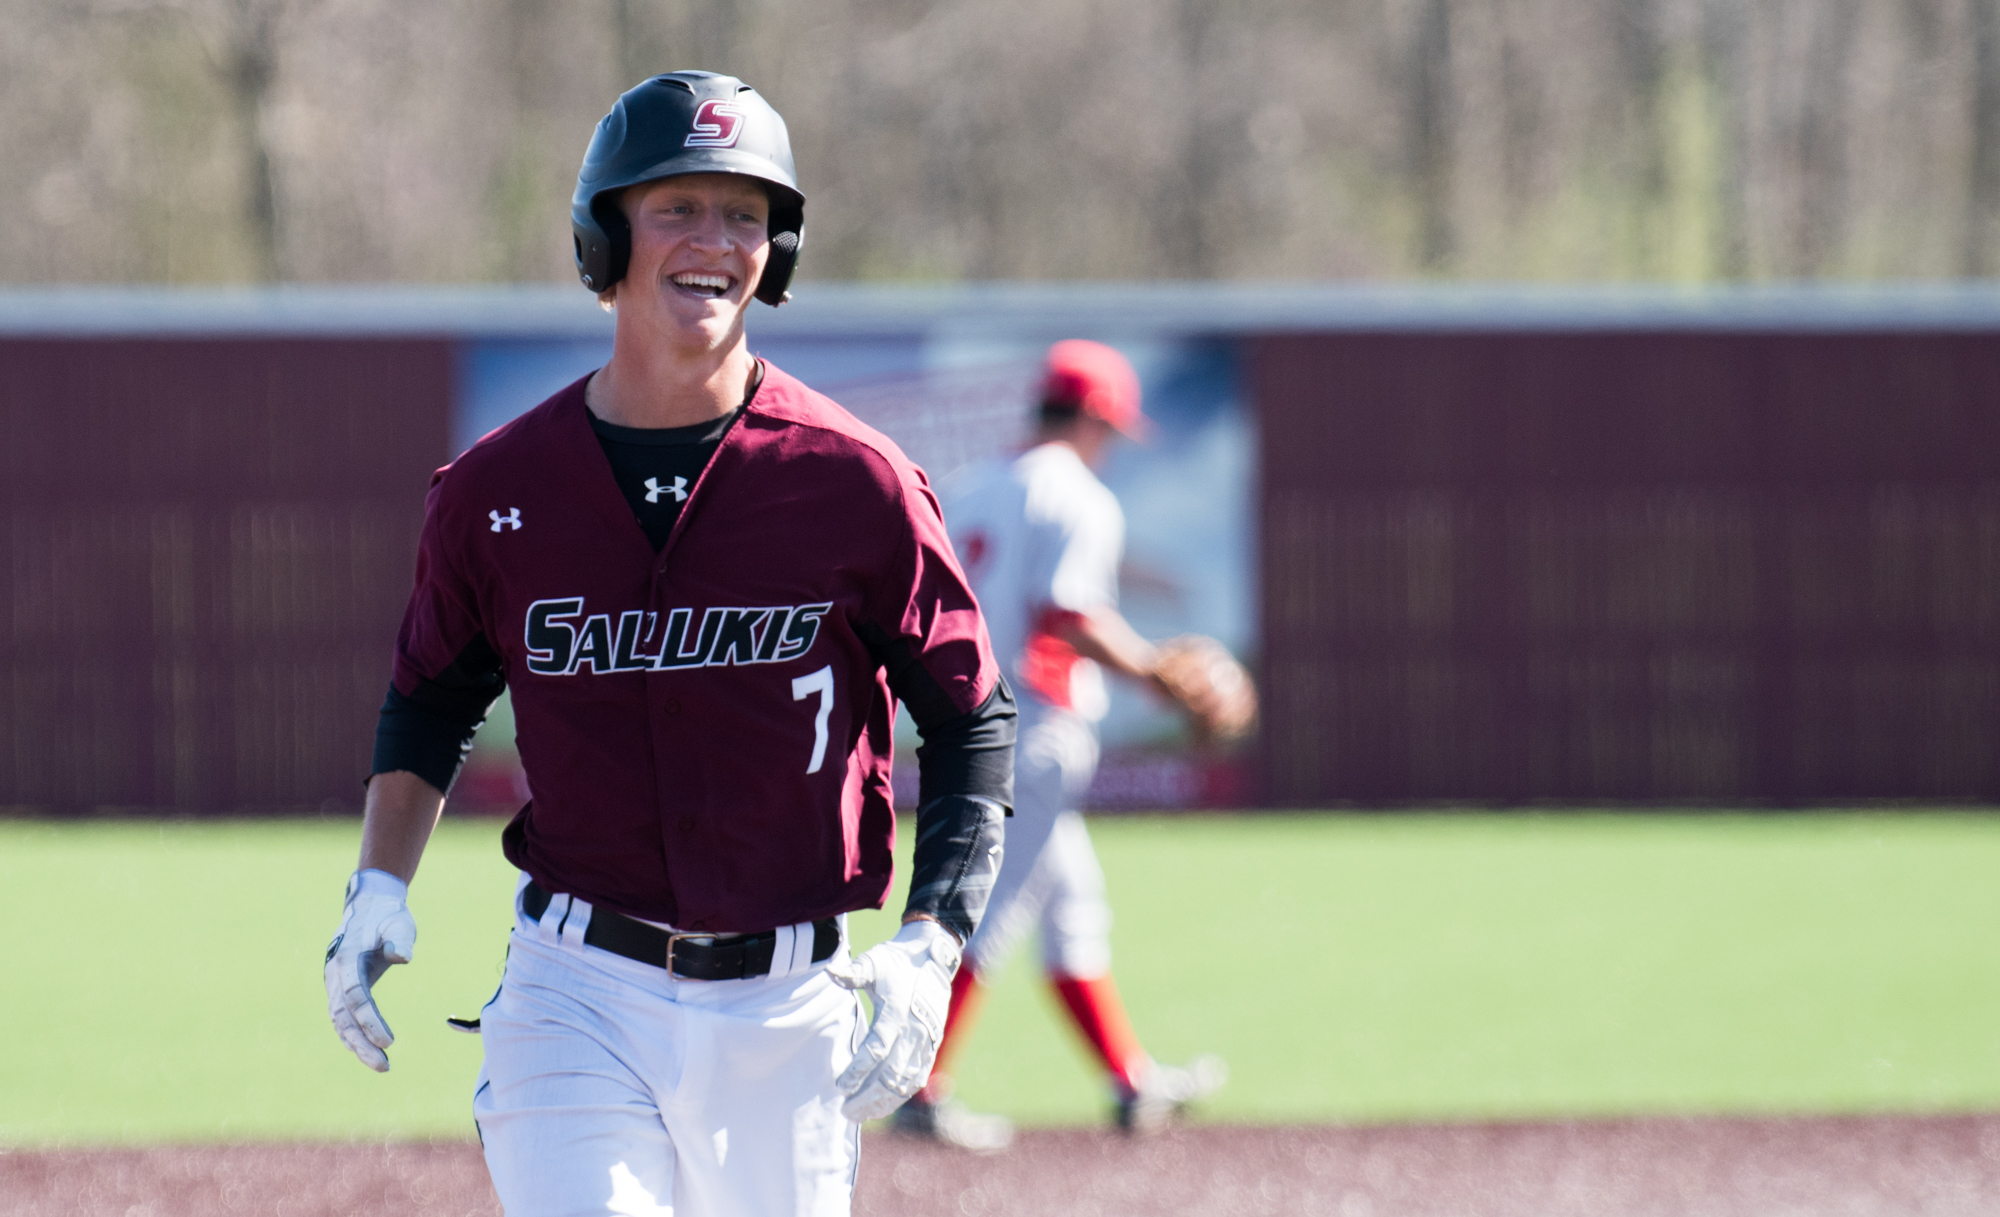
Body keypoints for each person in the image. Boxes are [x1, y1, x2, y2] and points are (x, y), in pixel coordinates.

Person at [322, 71, 1014, 1217]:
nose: (715, 239)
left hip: (789, 1007)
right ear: (606, 234)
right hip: (574, 990)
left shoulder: (857, 481)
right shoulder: (498, 489)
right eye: (677, 206)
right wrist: (376, 885)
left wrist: (933, 939)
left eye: (745, 214)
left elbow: (968, 716)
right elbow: (432, 698)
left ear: (776, 252)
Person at [898, 340, 1255, 1149]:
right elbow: (1067, 611)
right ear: (1096, 419)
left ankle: (1129, 1081)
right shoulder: (1078, 496)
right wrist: (1156, 671)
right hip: (1035, 731)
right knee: (983, 917)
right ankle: (921, 1086)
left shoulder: (973, 487)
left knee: (1074, 909)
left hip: (968, 722)